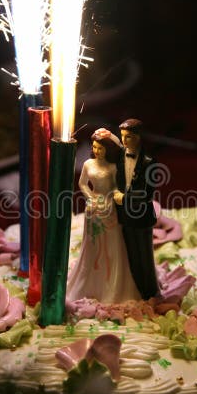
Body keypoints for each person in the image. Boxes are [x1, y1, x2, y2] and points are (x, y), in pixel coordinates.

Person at [66, 128, 141, 304]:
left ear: (108, 149)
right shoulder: (88, 164)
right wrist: (91, 197)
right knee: (92, 244)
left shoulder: (114, 167)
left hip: (110, 208)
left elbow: (117, 187)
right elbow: (82, 183)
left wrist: (115, 197)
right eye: (94, 147)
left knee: (112, 244)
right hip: (93, 208)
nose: (97, 151)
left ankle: (112, 284)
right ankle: (89, 282)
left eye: (100, 148)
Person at [114, 118, 159, 299]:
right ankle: (135, 291)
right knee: (131, 256)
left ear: (139, 137)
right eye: (123, 136)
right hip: (124, 216)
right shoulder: (119, 157)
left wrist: (124, 198)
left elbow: (147, 194)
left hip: (141, 217)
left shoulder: (150, 162)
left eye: (129, 137)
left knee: (144, 257)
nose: (124, 141)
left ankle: (150, 293)